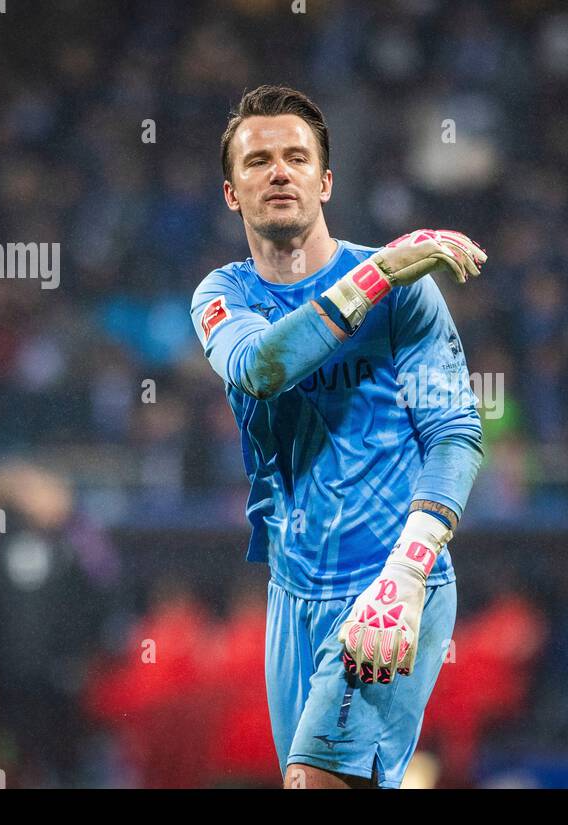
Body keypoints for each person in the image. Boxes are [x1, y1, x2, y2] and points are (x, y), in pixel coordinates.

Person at [189, 85, 487, 789]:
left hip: (387, 578)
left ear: (325, 182)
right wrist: (376, 274)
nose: (279, 172)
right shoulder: (222, 295)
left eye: (296, 157)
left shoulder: (410, 292)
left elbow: (454, 433)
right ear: (232, 192)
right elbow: (263, 368)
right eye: (258, 161)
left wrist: (407, 572)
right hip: (290, 594)